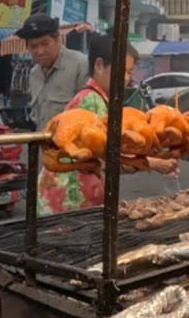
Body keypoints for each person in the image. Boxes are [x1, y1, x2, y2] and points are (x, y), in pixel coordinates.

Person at [37, 34, 177, 215]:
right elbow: (109, 157)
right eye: (123, 71)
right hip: (66, 201)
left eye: (129, 72)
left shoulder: (100, 100)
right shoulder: (90, 102)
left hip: (74, 200)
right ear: (99, 65)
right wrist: (154, 163)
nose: (126, 79)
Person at [17, 14, 91, 129]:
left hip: (71, 145)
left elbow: (91, 116)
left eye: (45, 44)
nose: (40, 51)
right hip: (43, 144)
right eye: (33, 46)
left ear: (57, 38)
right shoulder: (34, 74)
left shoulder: (81, 65)